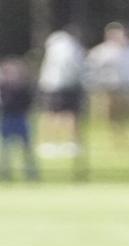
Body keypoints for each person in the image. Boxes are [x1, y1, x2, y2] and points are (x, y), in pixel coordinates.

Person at [35, 25, 84, 159]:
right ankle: (65, 143)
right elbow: (71, 64)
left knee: (52, 114)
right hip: (62, 84)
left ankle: (51, 143)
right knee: (64, 114)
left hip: (51, 84)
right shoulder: (67, 45)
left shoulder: (55, 44)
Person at [1, 58, 40, 181]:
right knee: (6, 149)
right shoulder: (3, 88)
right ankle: (6, 173)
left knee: (26, 148)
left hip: (21, 119)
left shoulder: (25, 88)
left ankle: (31, 173)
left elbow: (31, 105)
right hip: (7, 119)